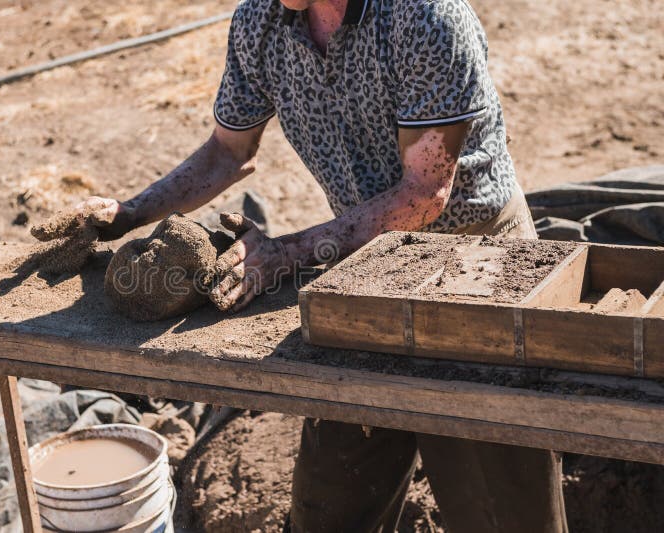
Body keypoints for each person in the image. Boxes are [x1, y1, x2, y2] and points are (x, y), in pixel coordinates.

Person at [67, 0, 567, 531]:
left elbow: (423, 196)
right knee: (332, 502)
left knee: (500, 507)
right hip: (363, 268)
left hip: (477, 266)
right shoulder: (261, 21)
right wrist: (129, 213)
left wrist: (288, 253)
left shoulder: (426, 17)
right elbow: (226, 151)